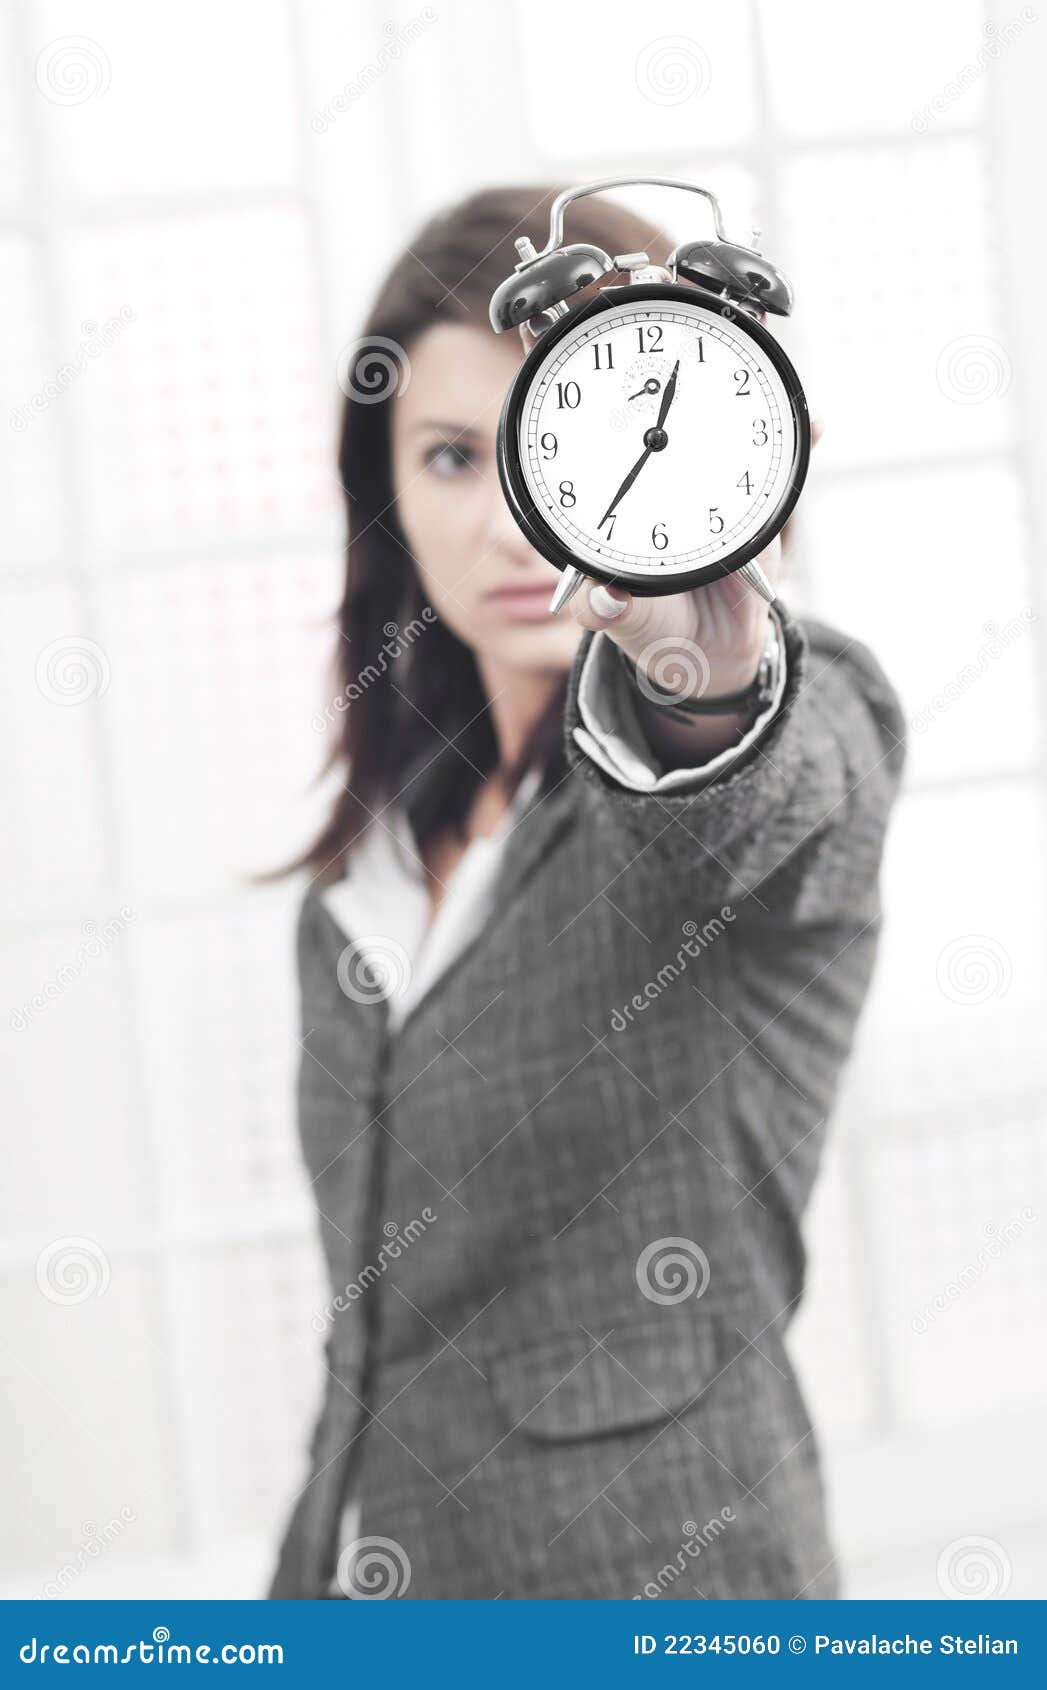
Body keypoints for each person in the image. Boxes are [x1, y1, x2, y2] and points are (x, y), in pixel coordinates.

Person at [268, 186, 906, 1601]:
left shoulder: (782, 722)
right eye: (448, 457)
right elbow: (371, 1352)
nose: (511, 520)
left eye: (554, 449)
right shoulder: (363, 877)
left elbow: (754, 787)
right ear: (386, 495)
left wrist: (699, 667)